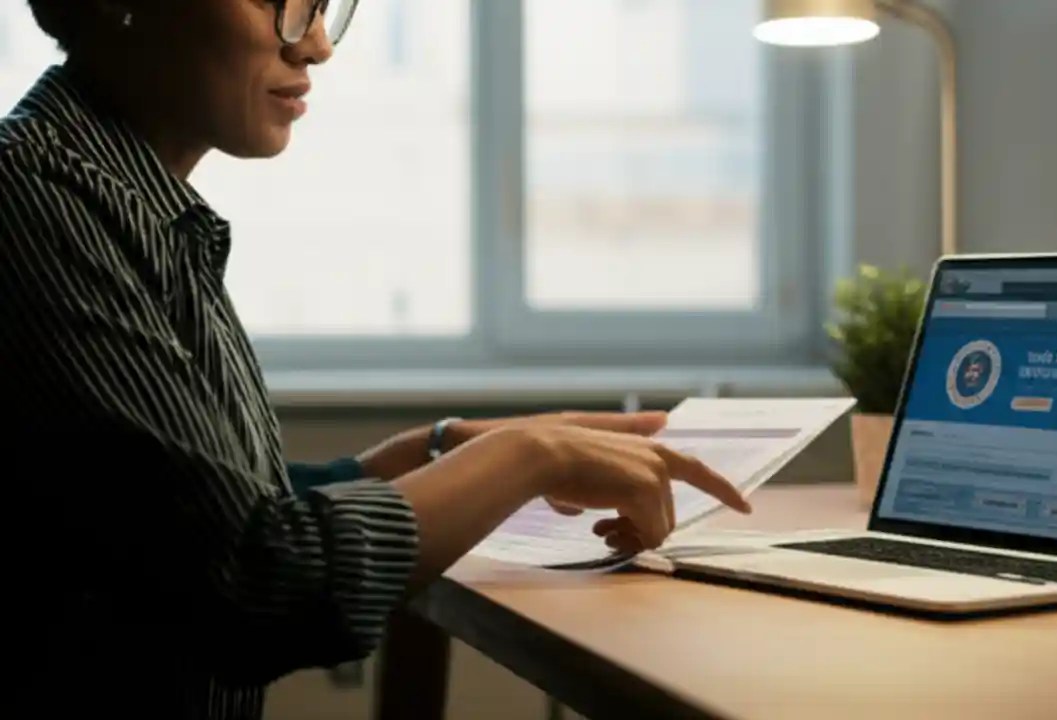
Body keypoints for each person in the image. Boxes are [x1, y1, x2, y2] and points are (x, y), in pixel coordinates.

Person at [0, 1, 751, 717]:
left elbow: (164, 513)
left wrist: (427, 453)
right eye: (277, 1)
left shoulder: (125, 208)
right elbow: (255, 582)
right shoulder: (32, 207)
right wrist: (531, 456)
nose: (316, 43)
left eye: (323, 6)